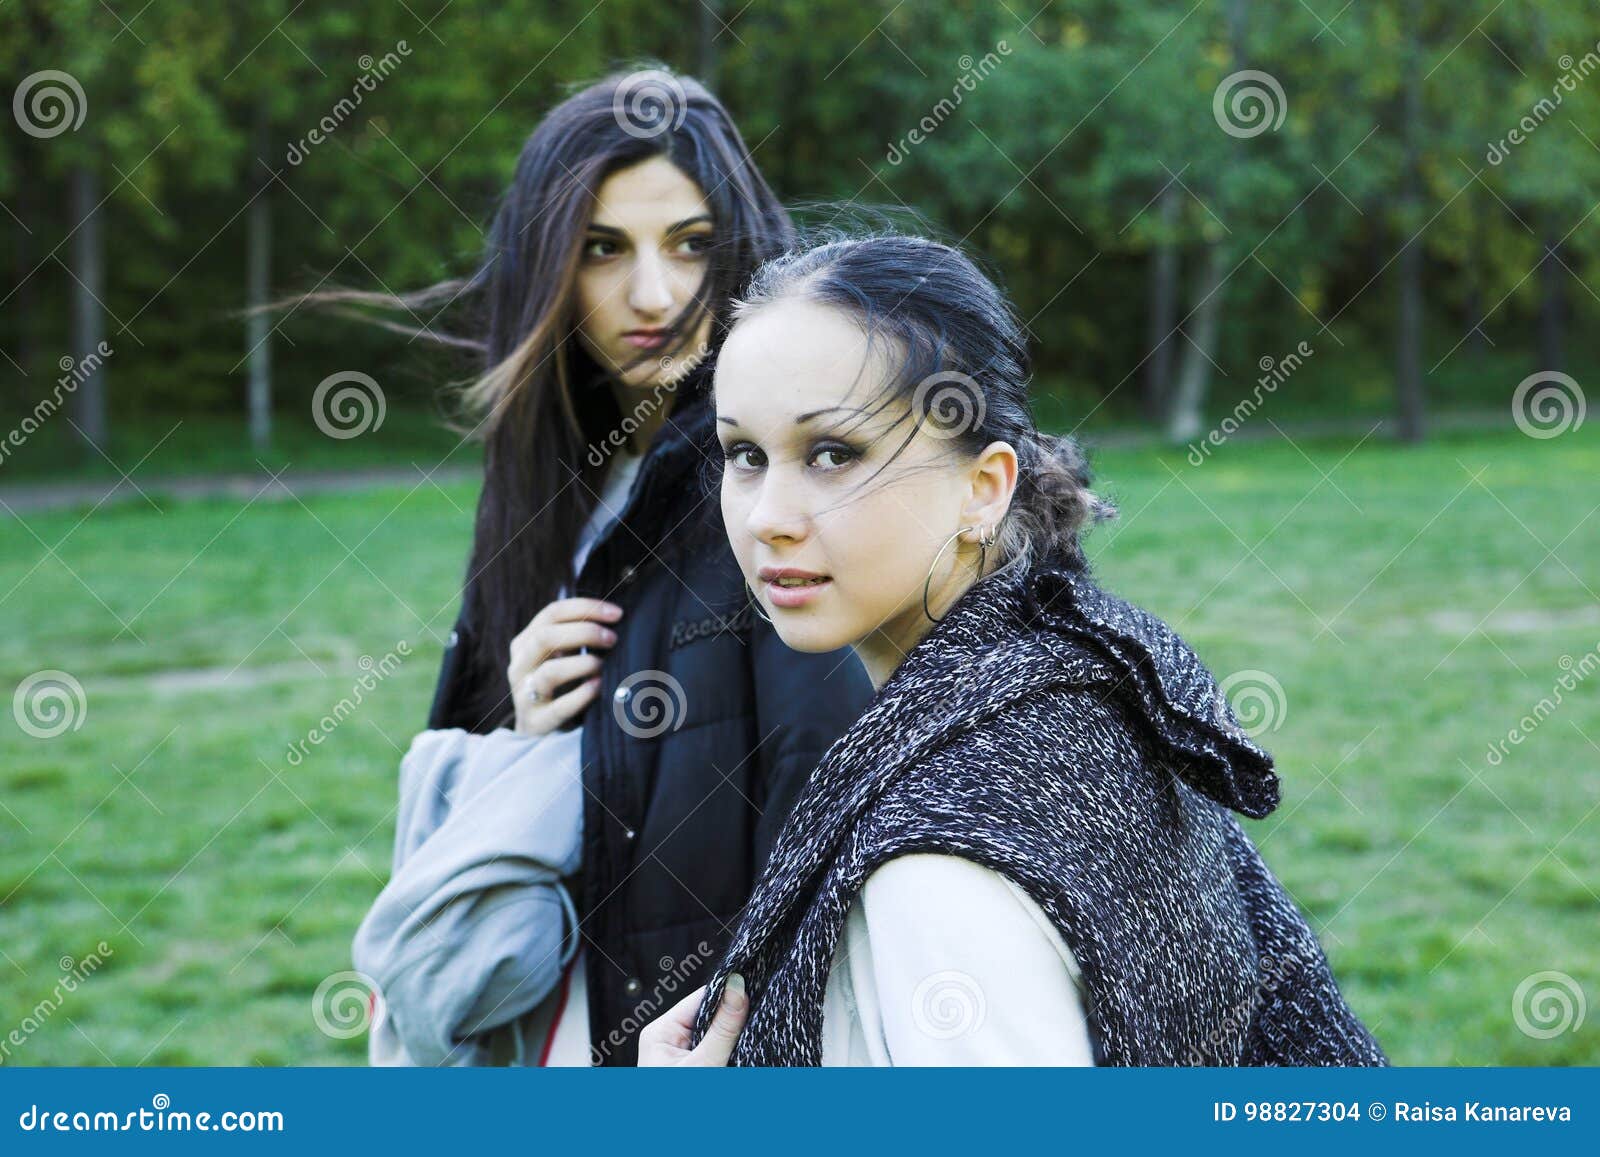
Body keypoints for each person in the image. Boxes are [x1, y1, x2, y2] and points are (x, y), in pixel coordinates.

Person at [637, 232, 1390, 1066]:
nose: (767, 514)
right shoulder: (1090, 673)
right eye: (745, 454)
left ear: (982, 487)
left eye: (832, 453)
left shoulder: (939, 868)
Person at [344, 69, 874, 1067]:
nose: (653, 294)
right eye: (601, 249)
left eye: (690, 244)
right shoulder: (549, 489)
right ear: (548, 269)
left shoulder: (780, 494)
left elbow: (836, 815)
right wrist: (528, 725)